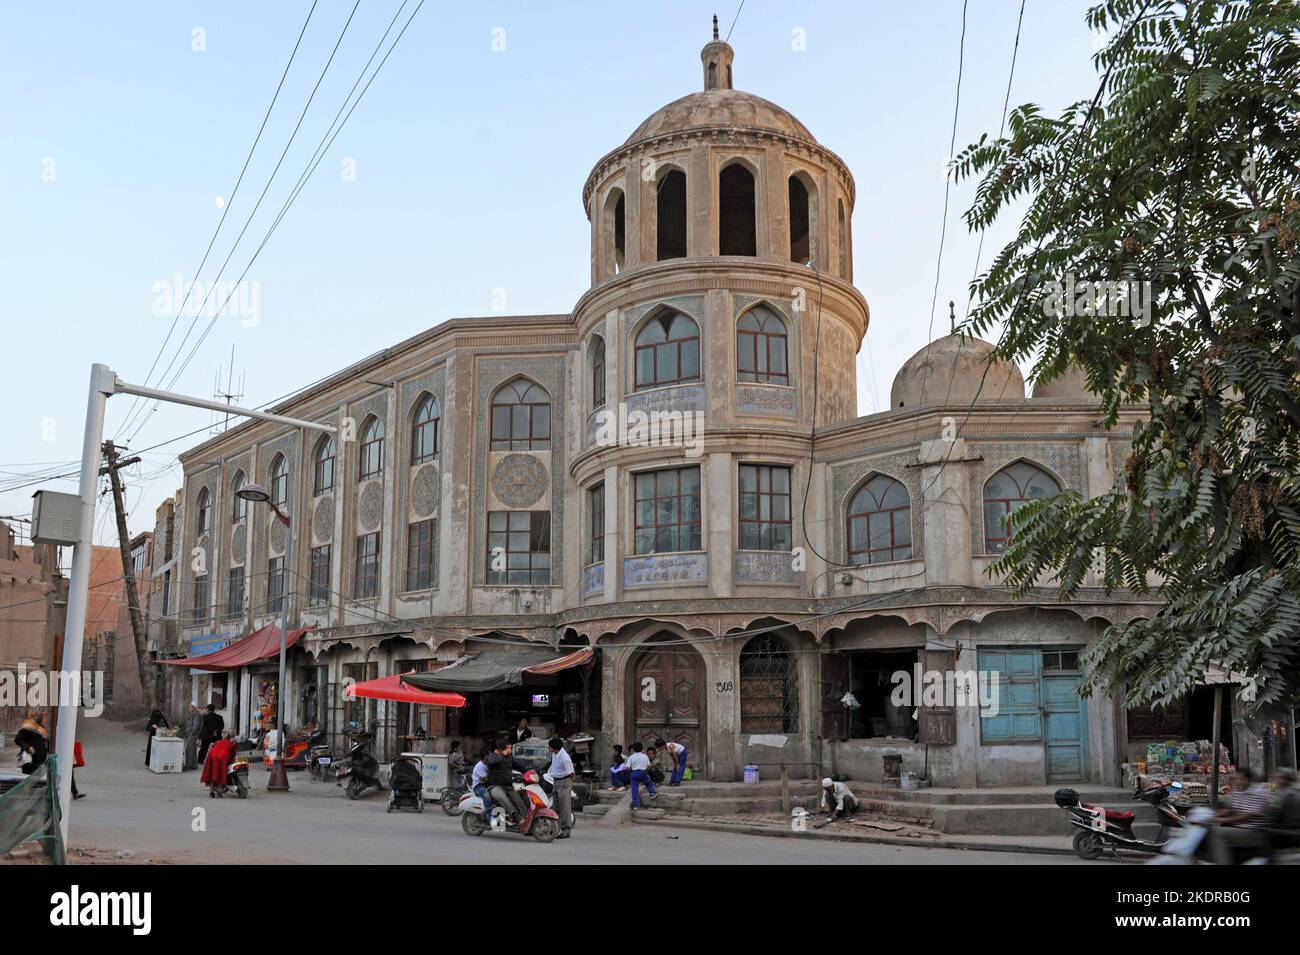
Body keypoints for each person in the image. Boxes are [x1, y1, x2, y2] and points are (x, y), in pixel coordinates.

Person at [1210, 768, 1278, 864]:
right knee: (1210, 828)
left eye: (1241, 779)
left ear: (1249, 780)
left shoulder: (1260, 793)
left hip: (1254, 832)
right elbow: (1231, 809)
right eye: (1237, 779)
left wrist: (1221, 819)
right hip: (1240, 828)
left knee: (1216, 832)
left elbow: (1247, 815)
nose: (1238, 782)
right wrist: (1212, 815)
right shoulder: (1238, 791)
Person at [487, 739, 526, 821]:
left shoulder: (509, 757)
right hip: (495, 786)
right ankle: (515, 816)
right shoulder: (493, 756)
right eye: (509, 748)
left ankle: (526, 818)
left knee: (518, 800)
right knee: (501, 796)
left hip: (508, 786)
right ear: (503, 749)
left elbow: (518, 766)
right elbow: (493, 761)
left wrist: (530, 770)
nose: (511, 750)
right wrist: (503, 753)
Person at [547, 736, 574, 839]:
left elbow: (571, 773)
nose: (549, 749)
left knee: (565, 807)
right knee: (555, 806)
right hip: (556, 781)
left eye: (550, 747)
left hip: (564, 781)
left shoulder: (565, 758)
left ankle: (566, 830)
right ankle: (555, 828)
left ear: (555, 748)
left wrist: (567, 784)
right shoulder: (555, 754)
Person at [201, 732, 237, 798]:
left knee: (212, 774)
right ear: (231, 738)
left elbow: (212, 747)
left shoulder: (218, 741)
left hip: (212, 756)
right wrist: (230, 761)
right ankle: (219, 793)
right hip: (222, 758)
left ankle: (211, 792)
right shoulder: (232, 744)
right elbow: (233, 755)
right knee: (220, 775)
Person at [626, 741, 656, 809]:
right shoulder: (645, 756)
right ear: (642, 748)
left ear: (633, 749)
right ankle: (652, 793)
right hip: (643, 772)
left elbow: (627, 767)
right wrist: (646, 772)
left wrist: (631, 773)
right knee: (648, 782)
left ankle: (636, 805)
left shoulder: (631, 757)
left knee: (634, 790)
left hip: (634, 773)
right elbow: (648, 766)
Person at [470, 746, 493, 821]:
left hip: (484, 784)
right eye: (489, 755)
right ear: (486, 756)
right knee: (487, 796)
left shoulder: (486, 764)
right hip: (478, 786)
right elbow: (486, 779)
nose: (490, 756)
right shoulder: (480, 766)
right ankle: (489, 815)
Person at [183, 703, 202, 771]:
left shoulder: (197, 715)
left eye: (190, 707)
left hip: (192, 735)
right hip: (191, 734)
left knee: (189, 750)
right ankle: (194, 765)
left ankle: (188, 765)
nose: (189, 709)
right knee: (193, 750)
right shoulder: (193, 715)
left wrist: (191, 733)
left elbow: (196, 726)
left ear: (194, 707)